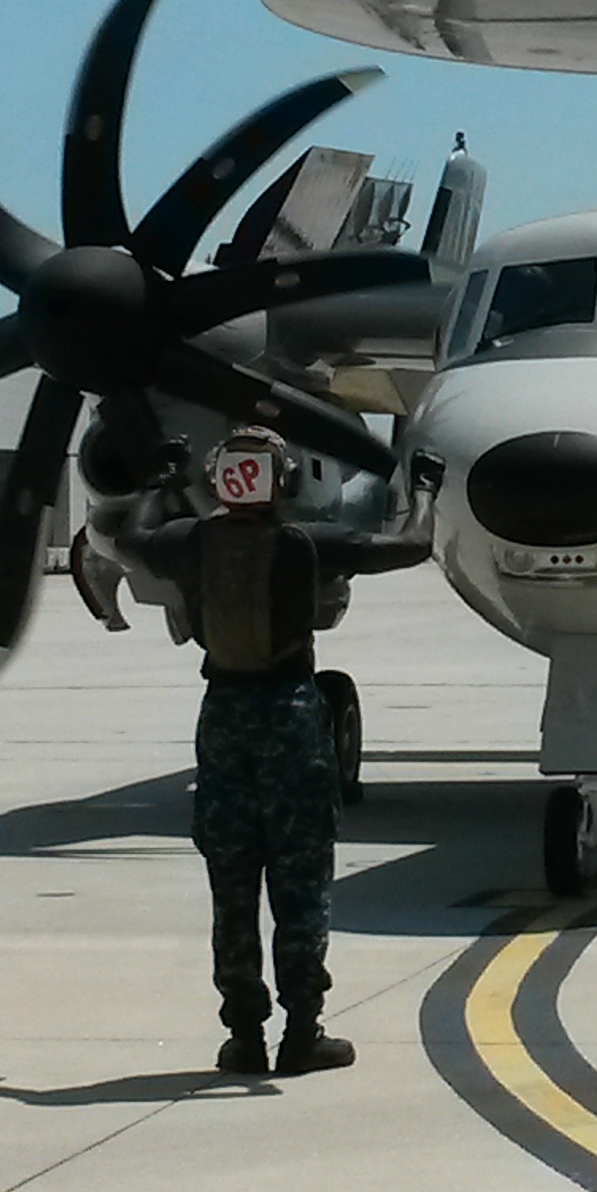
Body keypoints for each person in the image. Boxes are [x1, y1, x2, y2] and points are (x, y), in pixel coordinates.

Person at [124, 428, 427, 1078]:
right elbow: (408, 548)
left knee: (231, 887)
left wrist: (158, 482)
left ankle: (243, 1037)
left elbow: (125, 538)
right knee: (302, 882)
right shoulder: (306, 544)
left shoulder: (190, 543)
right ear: (283, 481)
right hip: (290, 717)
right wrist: (423, 491)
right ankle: (302, 1032)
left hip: (224, 717)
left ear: (219, 480)